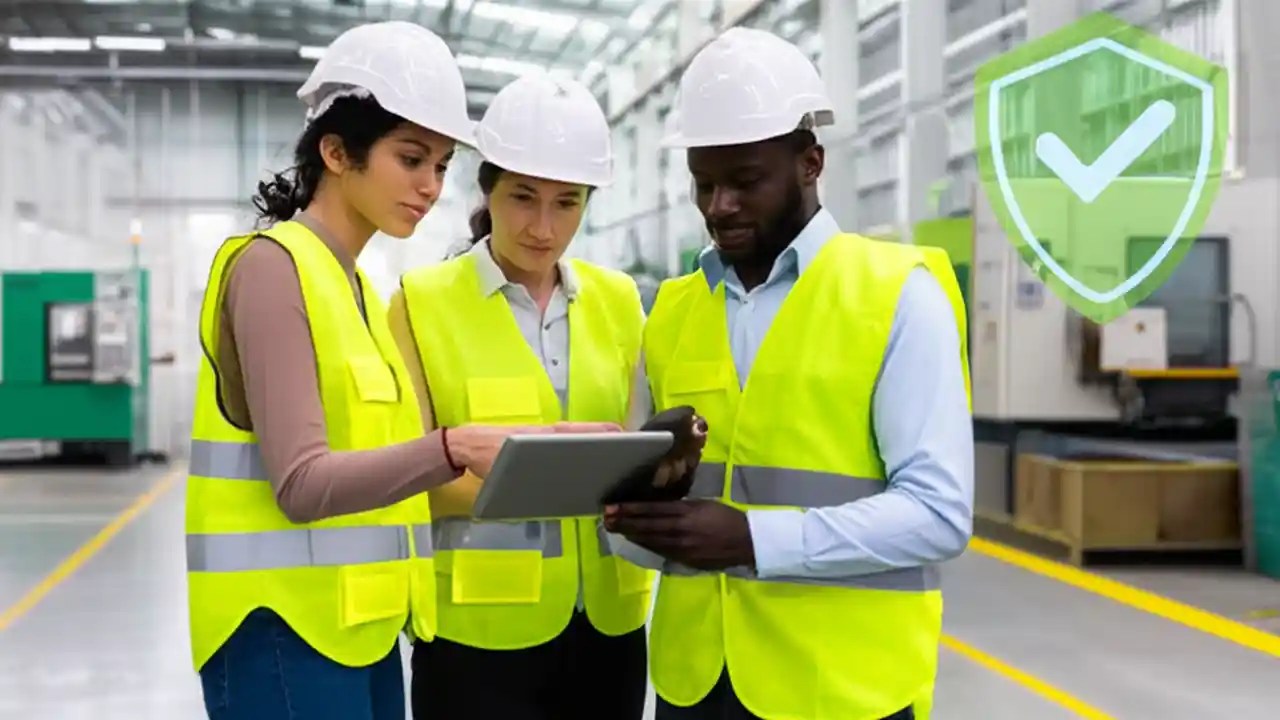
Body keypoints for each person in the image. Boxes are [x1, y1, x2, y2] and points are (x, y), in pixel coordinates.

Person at [184, 22, 616, 720]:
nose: (429, 186)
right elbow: (300, 484)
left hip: (363, 630)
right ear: (336, 151)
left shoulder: (359, 286)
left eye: (442, 165)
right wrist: (457, 447)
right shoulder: (273, 269)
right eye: (411, 158)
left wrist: (547, 453)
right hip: (281, 631)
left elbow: (383, 468)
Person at [603, 27, 975, 720]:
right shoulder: (676, 310)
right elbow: (661, 501)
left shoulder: (896, 295)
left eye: (745, 182)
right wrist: (630, 518)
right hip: (696, 684)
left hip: (840, 689)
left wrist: (751, 539)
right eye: (704, 184)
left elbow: (939, 514)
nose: (719, 207)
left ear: (811, 162)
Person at [387, 72, 701, 720]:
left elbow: (637, 442)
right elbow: (404, 476)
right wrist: (573, 481)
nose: (542, 226)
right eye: (523, 197)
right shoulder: (420, 304)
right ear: (487, 189)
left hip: (608, 623)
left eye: (568, 203)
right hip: (476, 632)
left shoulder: (619, 302)